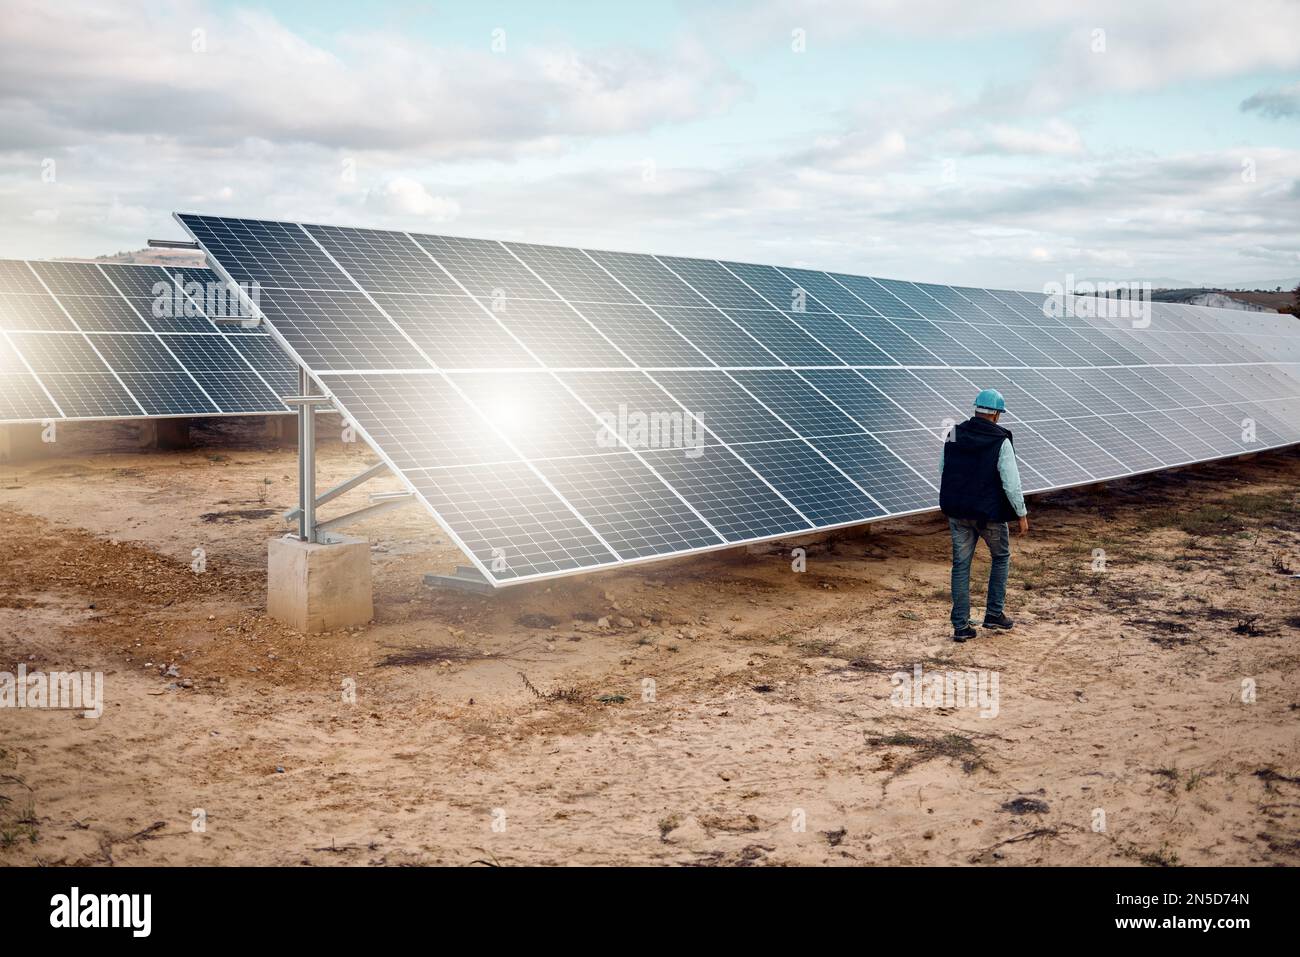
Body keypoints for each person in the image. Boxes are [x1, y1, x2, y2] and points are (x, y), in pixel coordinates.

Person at [938, 389, 1029, 642]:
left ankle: (960, 627)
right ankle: (993, 614)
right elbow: (1011, 483)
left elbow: (943, 469)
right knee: (1000, 557)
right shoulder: (1001, 440)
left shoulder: (954, 433)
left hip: (957, 511)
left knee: (961, 566)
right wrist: (1021, 514)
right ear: (997, 415)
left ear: (976, 410)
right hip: (989, 514)